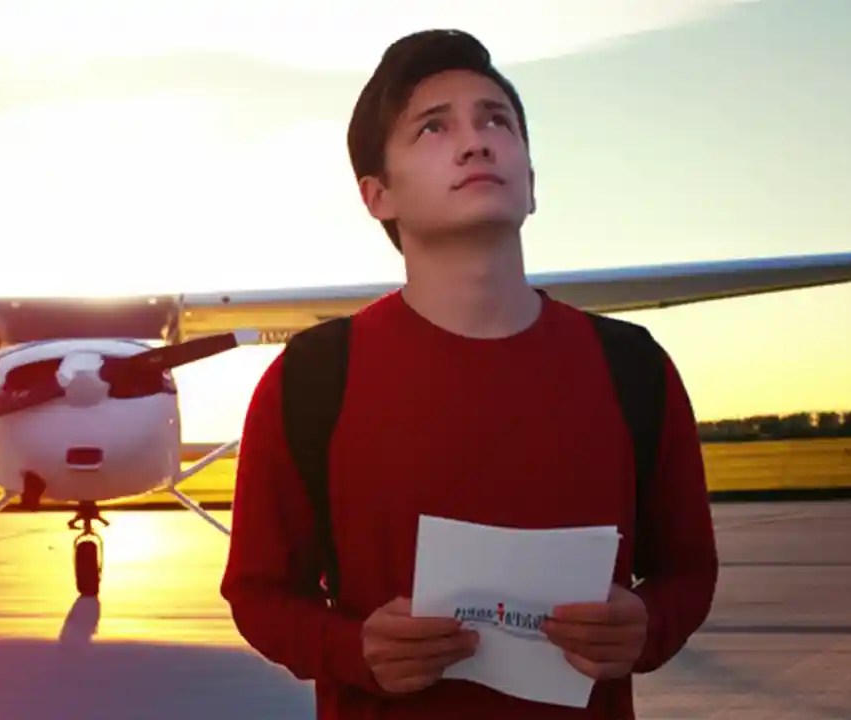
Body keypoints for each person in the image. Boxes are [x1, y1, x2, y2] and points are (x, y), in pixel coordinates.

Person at [220, 28, 719, 719]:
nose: (477, 140)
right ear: (377, 195)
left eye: (497, 120)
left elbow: (689, 573)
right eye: (433, 126)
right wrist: (351, 648)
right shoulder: (308, 381)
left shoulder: (635, 367)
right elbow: (258, 593)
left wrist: (646, 625)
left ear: (532, 184)